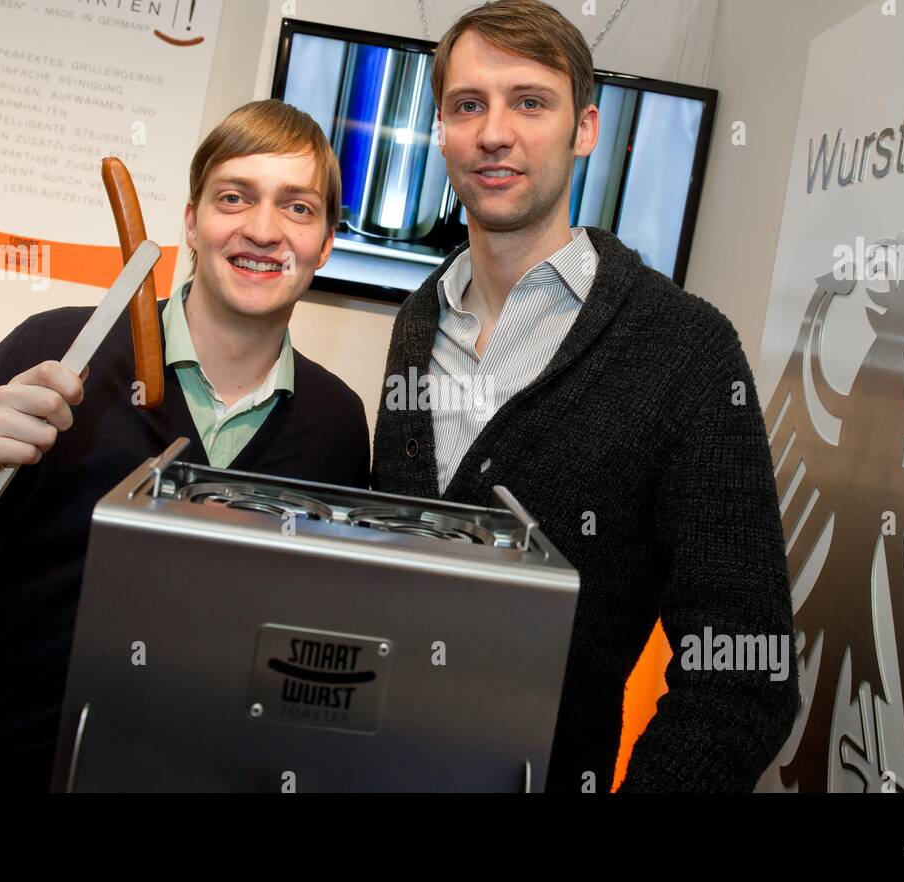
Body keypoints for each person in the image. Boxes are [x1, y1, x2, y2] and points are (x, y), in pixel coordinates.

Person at [0, 99, 369, 792]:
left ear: (325, 243)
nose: (263, 230)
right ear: (192, 223)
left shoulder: (336, 424)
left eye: (298, 207)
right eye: (234, 197)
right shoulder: (56, 351)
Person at [370, 0, 800, 792]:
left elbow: (746, 675)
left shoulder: (688, 350)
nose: (494, 132)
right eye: (468, 105)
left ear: (586, 130)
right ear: (441, 132)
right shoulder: (418, 321)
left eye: (530, 102)